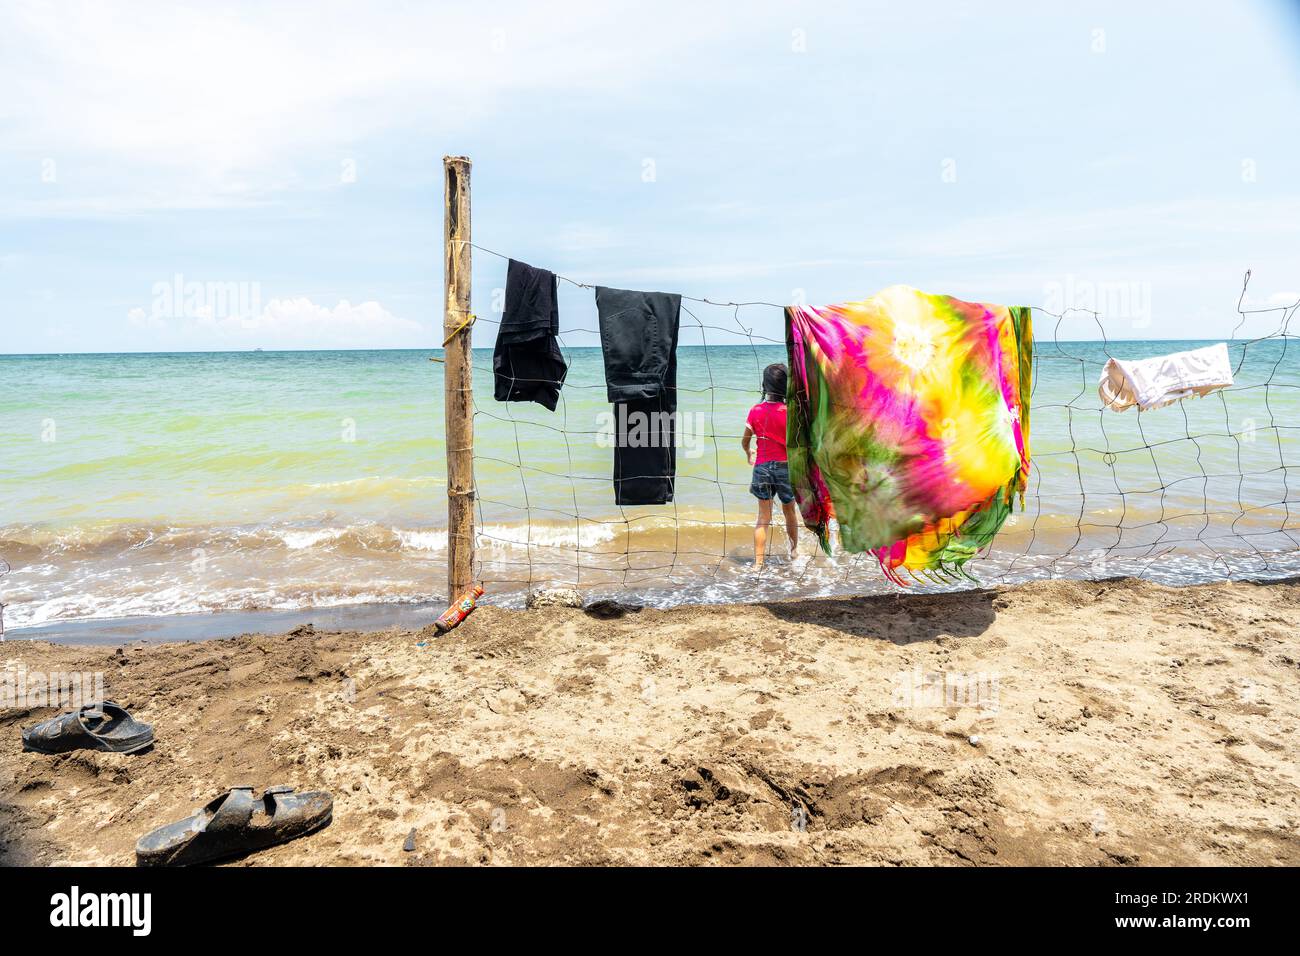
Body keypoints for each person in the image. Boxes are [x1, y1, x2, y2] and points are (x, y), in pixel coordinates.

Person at [741, 363, 798, 569]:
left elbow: (745, 441)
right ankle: (794, 551)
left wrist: (749, 453)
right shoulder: (790, 412)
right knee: (789, 511)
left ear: (764, 386)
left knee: (763, 517)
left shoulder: (755, 411)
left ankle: (758, 563)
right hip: (785, 467)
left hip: (762, 467)